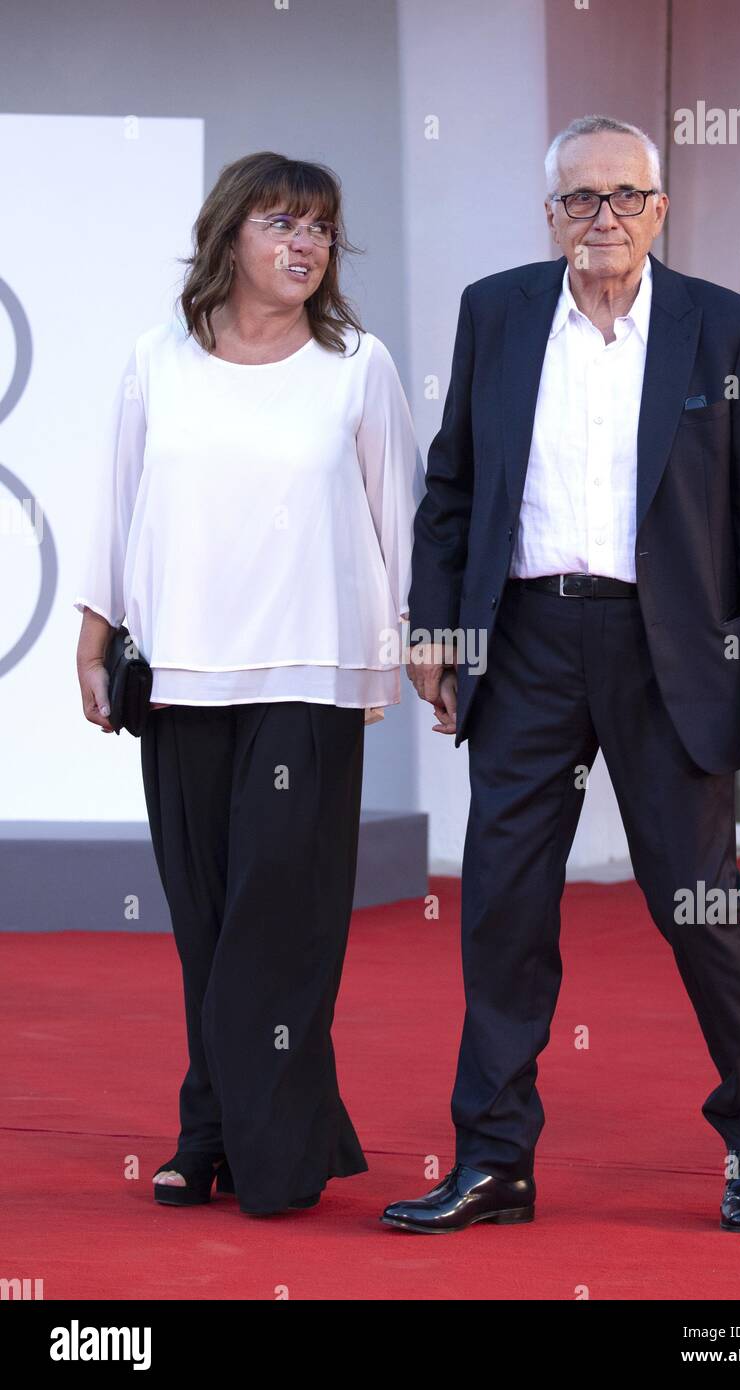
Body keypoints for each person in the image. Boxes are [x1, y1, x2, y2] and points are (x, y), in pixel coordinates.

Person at [383, 114, 740, 1235]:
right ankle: (493, 1158)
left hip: (667, 650)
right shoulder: (498, 312)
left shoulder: (724, 331)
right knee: (502, 906)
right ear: (548, 215)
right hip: (522, 642)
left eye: (624, 196)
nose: (603, 218)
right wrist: (437, 632)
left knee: (696, 900)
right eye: (580, 199)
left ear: (659, 210)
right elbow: (452, 489)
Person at [75, 151, 423, 1216]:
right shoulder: (157, 359)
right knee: (209, 920)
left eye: (320, 229)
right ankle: (215, 1129)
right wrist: (94, 641)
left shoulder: (356, 364)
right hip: (180, 673)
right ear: (229, 234)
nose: (306, 246)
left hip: (309, 674)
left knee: (284, 916)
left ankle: (265, 1148)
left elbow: (399, 519)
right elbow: (117, 505)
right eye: (283, 223)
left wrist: (423, 652)